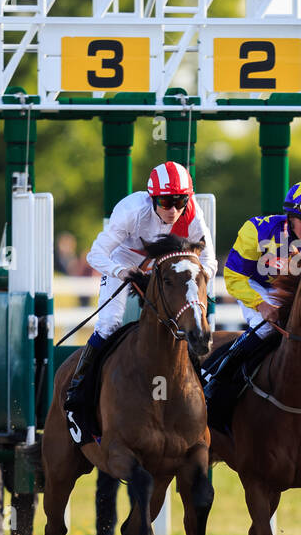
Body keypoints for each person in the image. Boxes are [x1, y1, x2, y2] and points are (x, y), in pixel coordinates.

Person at [63, 161, 217, 445]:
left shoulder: (193, 213)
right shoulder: (132, 211)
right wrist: (122, 272)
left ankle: (201, 391)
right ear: (152, 198)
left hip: (166, 264)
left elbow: (208, 260)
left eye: (180, 201)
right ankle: (79, 390)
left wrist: (197, 285)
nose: (173, 210)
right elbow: (96, 254)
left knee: (194, 322)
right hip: (124, 259)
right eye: (165, 202)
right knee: (109, 323)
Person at [203, 180, 301, 421]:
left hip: (290, 291)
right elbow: (234, 277)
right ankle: (214, 380)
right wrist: (261, 304)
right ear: (290, 217)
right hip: (254, 286)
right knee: (266, 331)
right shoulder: (256, 230)